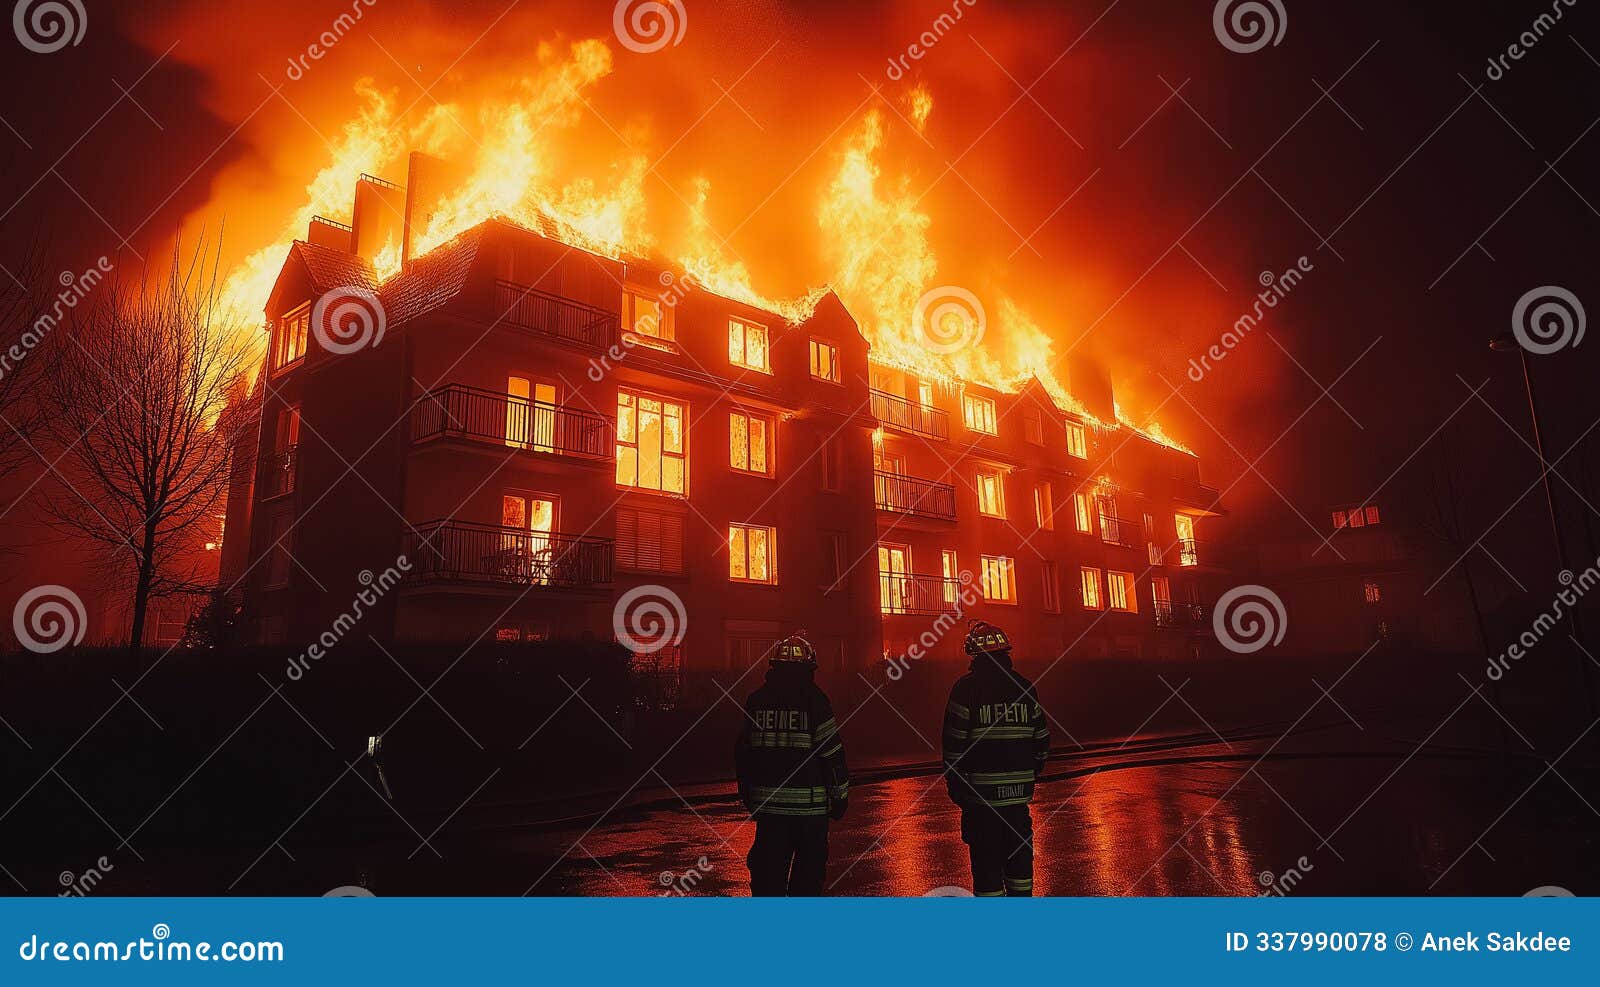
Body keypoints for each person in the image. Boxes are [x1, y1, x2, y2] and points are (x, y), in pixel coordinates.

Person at [941, 620, 1050, 896]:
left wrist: (957, 788)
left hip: (981, 804)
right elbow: (1042, 740)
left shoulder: (966, 690)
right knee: (1020, 875)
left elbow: (953, 746)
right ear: (1006, 653)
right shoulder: (1026, 688)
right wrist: (1028, 774)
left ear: (974, 654)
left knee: (987, 876)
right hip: (1018, 805)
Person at [735, 635, 849, 896]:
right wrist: (840, 797)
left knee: (768, 881)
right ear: (810, 668)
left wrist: (748, 795)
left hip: (769, 814)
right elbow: (832, 754)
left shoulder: (757, 701)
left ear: (774, 666)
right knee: (806, 882)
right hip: (810, 815)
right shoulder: (816, 701)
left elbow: (743, 753)